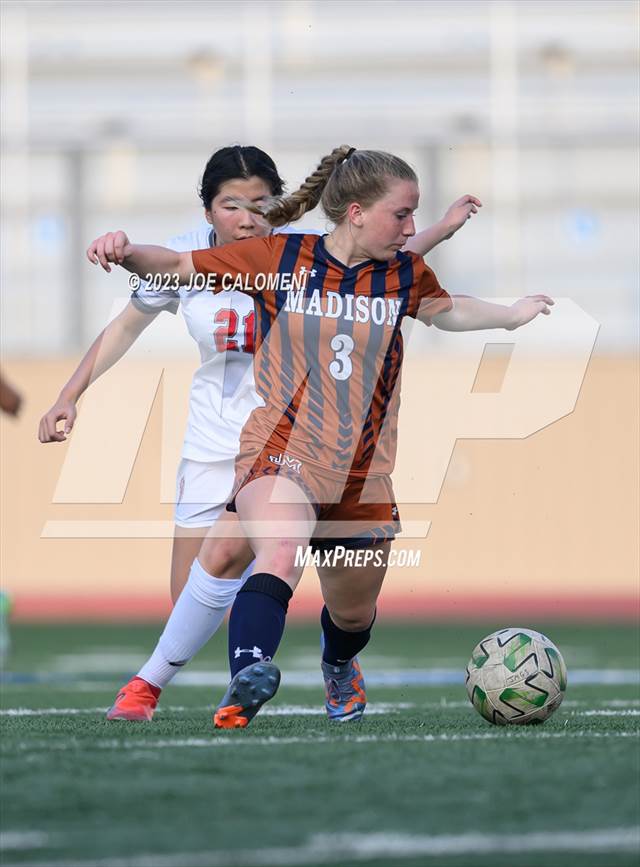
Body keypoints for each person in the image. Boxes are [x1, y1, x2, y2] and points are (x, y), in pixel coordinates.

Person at [89, 146, 551, 730]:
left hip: (361, 471)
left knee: (353, 614)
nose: (409, 228)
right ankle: (247, 674)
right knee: (277, 551)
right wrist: (126, 251)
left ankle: (338, 664)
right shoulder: (281, 257)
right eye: (402, 215)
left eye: (414, 217)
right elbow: (180, 266)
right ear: (356, 212)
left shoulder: (403, 272)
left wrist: (509, 315)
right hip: (280, 450)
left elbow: (446, 309)